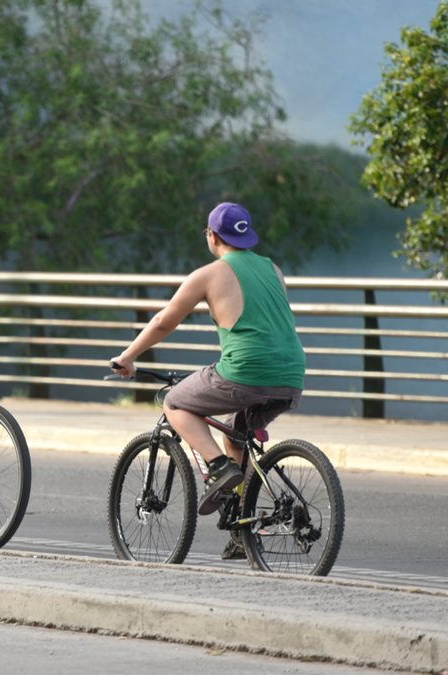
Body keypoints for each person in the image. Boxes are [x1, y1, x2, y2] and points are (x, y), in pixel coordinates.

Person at [109, 202, 305, 536]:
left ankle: (218, 467)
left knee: (174, 402)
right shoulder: (274, 270)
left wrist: (127, 356)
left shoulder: (208, 274)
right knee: (235, 433)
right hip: (292, 376)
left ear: (212, 236)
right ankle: (243, 533)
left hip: (244, 373)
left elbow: (162, 322)